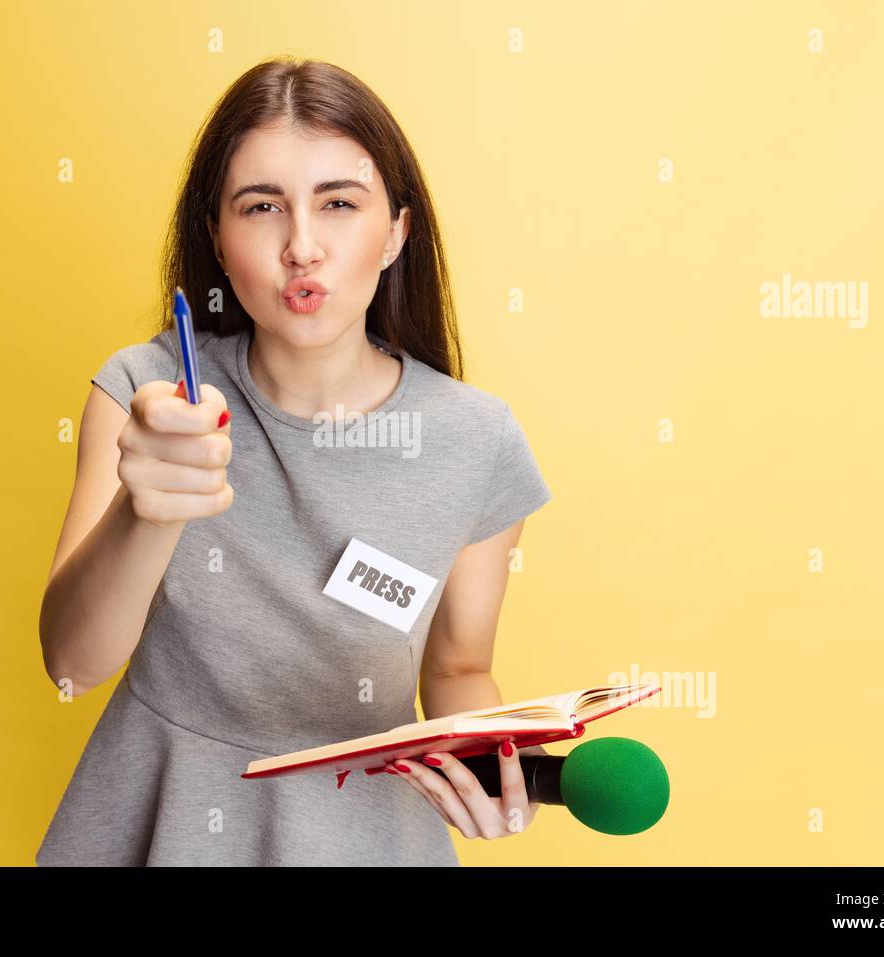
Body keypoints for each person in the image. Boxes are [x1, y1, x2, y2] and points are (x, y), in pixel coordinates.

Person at [36, 56, 552, 866]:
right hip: (160, 820)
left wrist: (490, 763)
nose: (302, 247)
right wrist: (147, 509)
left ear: (396, 235)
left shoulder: (477, 442)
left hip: (365, 832)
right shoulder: (146, 392)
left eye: (339, 204)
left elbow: (457, 666)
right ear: (217, 234)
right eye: (262, 206)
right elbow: (71, 662)